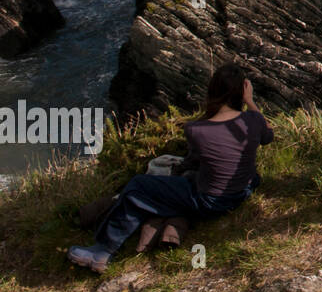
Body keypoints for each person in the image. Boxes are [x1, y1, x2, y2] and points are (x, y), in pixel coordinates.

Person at [67, 63, 273, 274]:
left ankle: (102, 251)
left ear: (212, 92)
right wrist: (251, 102)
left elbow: (192, 162)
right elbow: (268, 136)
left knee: (137, 186)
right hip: (243, 191)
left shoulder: (196, 129)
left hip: (211, 201)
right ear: (243, 91)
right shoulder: (253, 120)